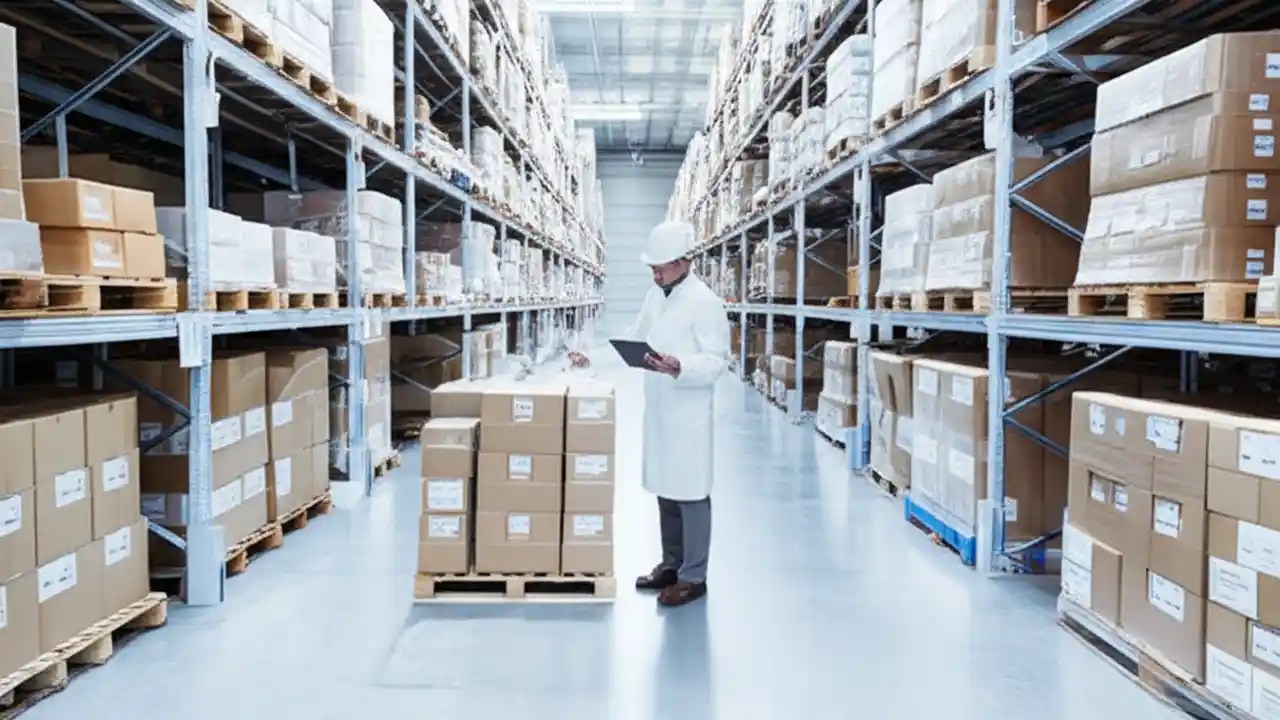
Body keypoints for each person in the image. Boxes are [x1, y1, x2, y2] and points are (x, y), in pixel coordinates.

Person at [569, 221, 731, 607]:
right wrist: (593, 353)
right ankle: (672, 564)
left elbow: (718, 361)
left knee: (691, 494)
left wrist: (681, 366)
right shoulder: (656, 297)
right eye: (652, 268)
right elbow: (635, 338)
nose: (655, 273)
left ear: (683, 262)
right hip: (660, 408)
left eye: (661, 266)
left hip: (687, 408)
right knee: (666, 489)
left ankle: (695, 576)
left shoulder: (705, 302)